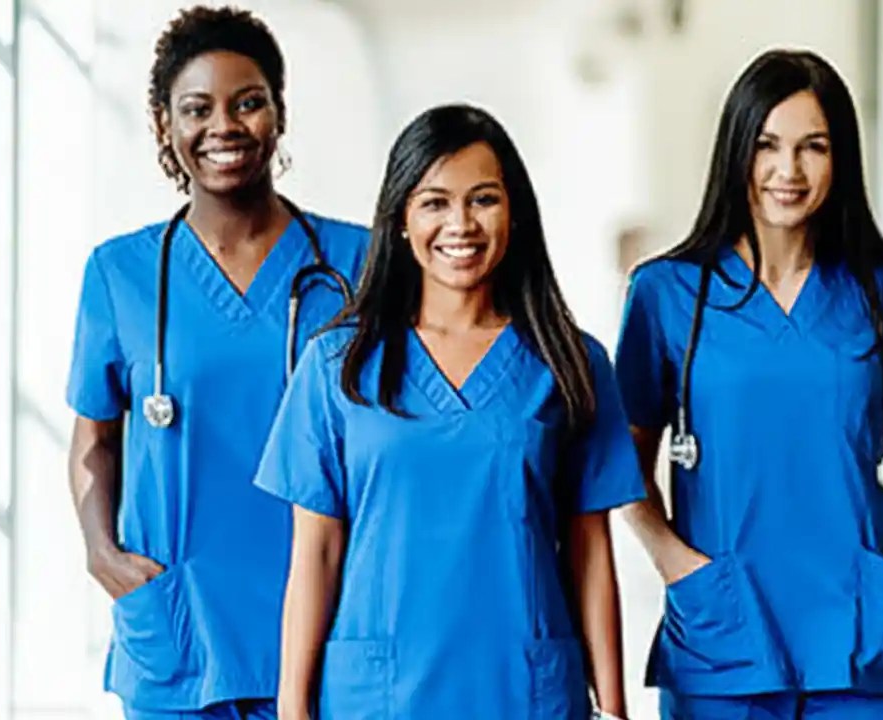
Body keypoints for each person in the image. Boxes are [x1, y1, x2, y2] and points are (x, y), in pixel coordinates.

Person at [253, 104, 643, 720]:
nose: (460, 223)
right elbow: (315, 553)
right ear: (401, 219)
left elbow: (590, 549)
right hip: (379, 698)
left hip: (525, 691)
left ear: (514, 214)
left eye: (482, 199)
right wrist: (292, 710)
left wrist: (615, 708)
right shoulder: (337, 365)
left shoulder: (570, 362)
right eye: (434, 202)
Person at [616, 50, 883, 720]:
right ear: (737, 151)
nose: (787, 171)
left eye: (812, 147)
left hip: (865, 638)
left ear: (841, 158)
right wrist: (680, 568)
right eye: (767, 145)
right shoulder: (668, 294)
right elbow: (626, 466)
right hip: (724, 639)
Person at [65, 7, 367, 719]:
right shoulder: (121, 274)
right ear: (165, 124)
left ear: (278, 113)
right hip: (180, 628)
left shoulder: (359, 263)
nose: (224, 126)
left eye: (248, 102)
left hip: (326, 622)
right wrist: (101, 553)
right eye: (196, 108)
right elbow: (93, 442)